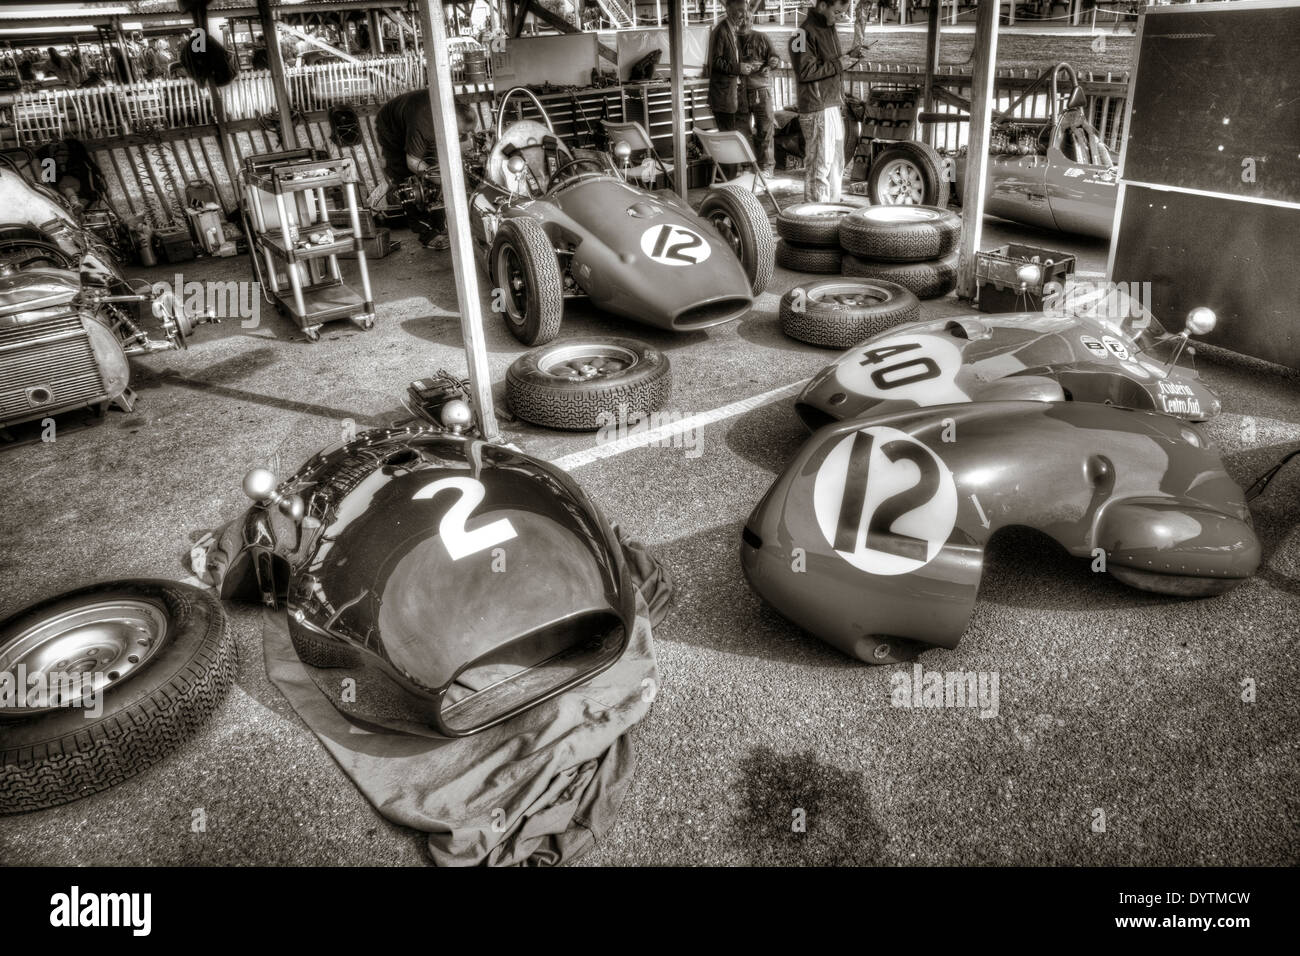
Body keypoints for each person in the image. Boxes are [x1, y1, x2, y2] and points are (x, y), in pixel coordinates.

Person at [375, 89, 478, 250]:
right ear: (449, 123)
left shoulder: (458, 110)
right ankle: (427, 232)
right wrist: (438, 178)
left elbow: (462, 145)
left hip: (420, 114)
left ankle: (441, 223)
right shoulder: (423, 124)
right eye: (460, 133)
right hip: (392, 127)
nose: (463, 137)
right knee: (407, 180)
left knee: (436, 167)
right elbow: (413, 161)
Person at [789, 0, 863, 202]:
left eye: (842, 13)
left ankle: (831, 209)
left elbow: (827, 64)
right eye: (837, 12)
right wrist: (840, 63)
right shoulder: (803, 33)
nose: (839, 17)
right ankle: (816, 216)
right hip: (817, 107)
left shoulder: (827, 28)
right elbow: (805, 71)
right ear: (822, 5)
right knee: (819, 166)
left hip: (830, 104)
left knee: (836, 163)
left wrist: (848, 57)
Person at [706, 0, 752, 178]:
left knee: (731, 136)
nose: (743, 15)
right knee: (728, 139)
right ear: (728, 8)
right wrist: (737, 68)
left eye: (745, 11)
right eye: (740, 10)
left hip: (730, 95)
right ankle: (729, 180)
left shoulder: (732, 30)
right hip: (723, 97)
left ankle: (729, 177)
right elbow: (715, 62)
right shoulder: (721, 31)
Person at [738, 11, 780, 177]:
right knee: (742, 131)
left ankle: (767, 167)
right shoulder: (731, 39)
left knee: (765, 129)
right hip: (738, 91)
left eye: (747, 18)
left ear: (752, 20)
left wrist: (772, 63)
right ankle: (746, 167)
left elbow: (775, 57)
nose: (744, 21)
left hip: (761, 89)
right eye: (741, 18)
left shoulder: (761, 37)